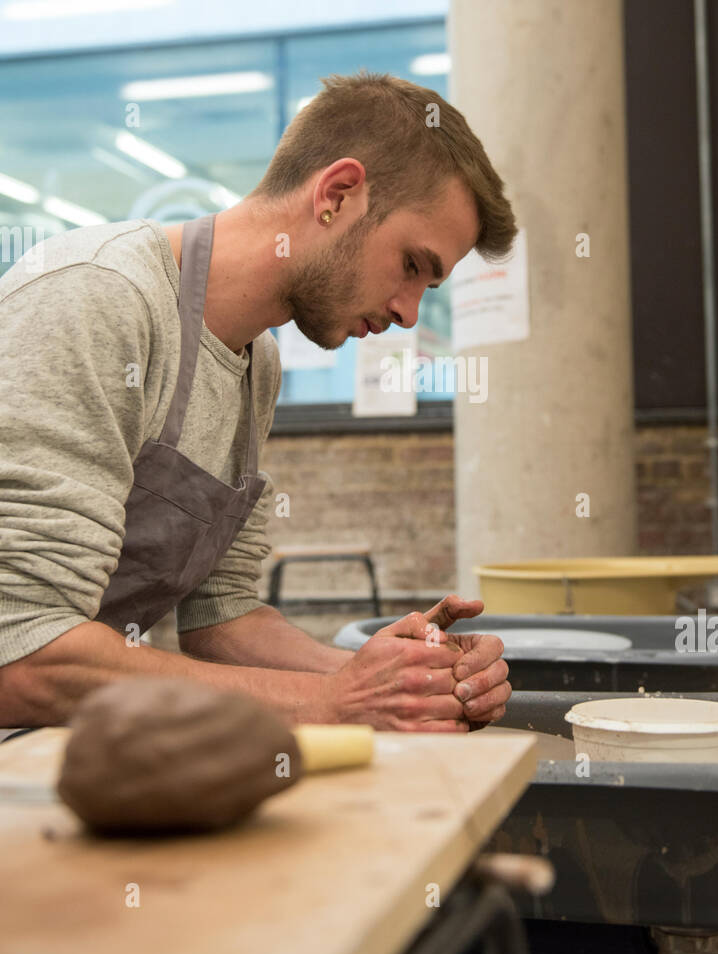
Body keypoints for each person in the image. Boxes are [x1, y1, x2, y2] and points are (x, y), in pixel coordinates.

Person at [0, 71, 517, 733]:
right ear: (336, 194)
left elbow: (222, 619)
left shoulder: (255, 363)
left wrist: (397, 675)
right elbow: (21, 650)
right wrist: (329, 704)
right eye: (411, 265)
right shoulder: (98, 297)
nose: (410, 314)